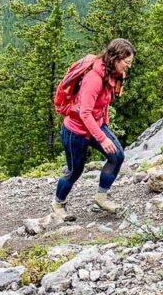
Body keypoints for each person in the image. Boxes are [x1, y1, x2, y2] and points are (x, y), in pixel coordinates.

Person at [51, 38, 135, 221]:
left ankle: (101, 198)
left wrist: (105, 124)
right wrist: (103, 138)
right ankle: (58, 204)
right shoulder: (94, 79)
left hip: (95, 124)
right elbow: (85, 113)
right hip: (75, 130)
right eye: (126, 62)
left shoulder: (112, 74)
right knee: (75, 170)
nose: (128, 66)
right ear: (115, 58)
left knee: (117, 156)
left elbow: (104, 102)